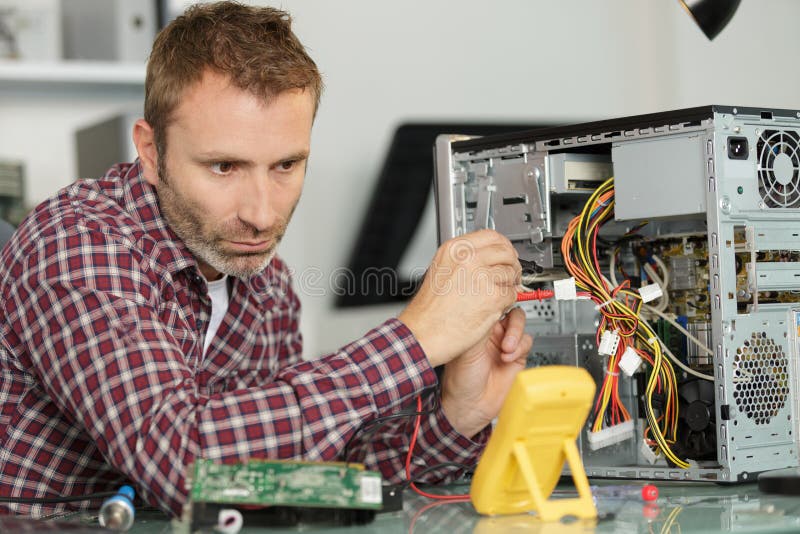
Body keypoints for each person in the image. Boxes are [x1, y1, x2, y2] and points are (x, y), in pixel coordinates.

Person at [0, 1, 532, 518]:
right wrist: (414, 342)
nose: (261, 214)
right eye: (224, 166)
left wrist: (457, 416)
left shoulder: (266, 284)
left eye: (285, 165)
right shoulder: (75, 241)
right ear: (151, 151)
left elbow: (298, 470)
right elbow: (182, 461)